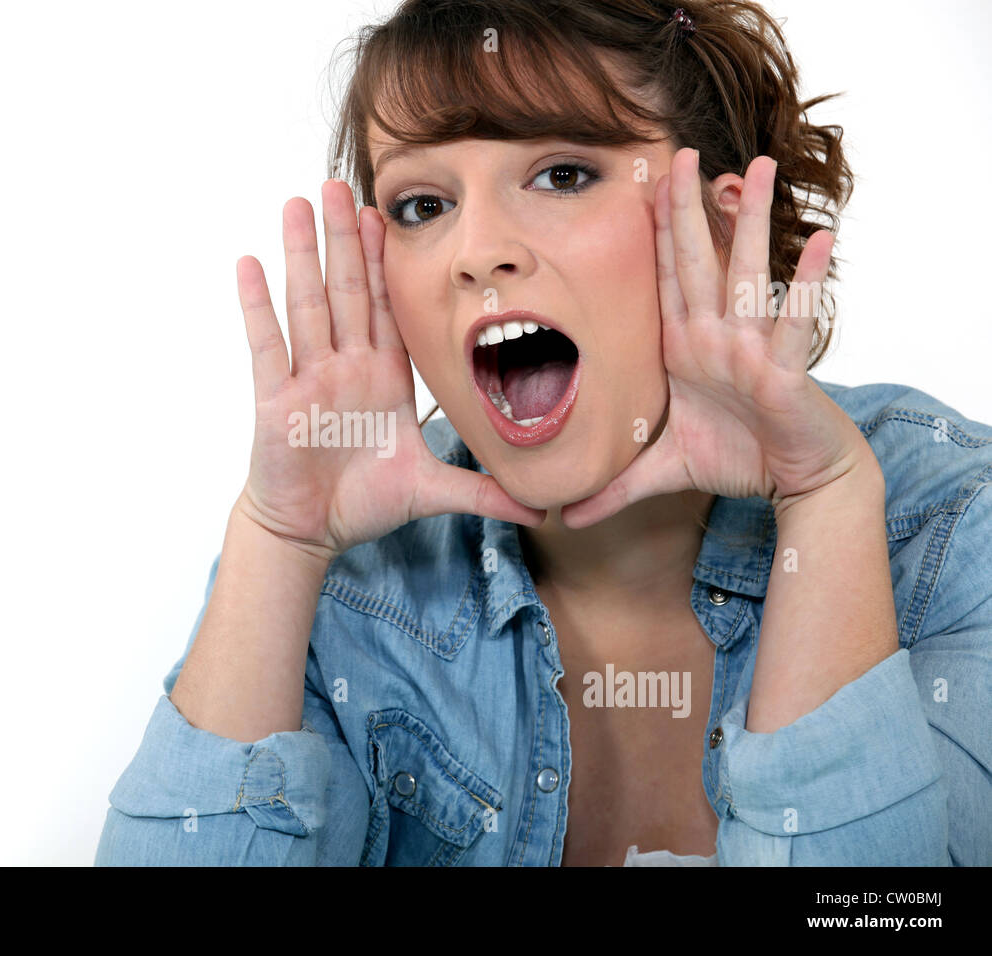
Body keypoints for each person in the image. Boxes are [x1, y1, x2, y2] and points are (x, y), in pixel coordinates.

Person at [94, 0, 992, 866]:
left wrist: (825, 502)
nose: (475, 251)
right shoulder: (341, 568)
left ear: (721, 228)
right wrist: (277, 543)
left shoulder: (955, 527)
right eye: (421, 206)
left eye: (562, 173)